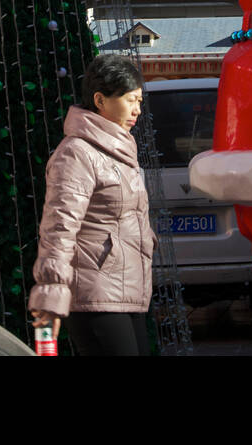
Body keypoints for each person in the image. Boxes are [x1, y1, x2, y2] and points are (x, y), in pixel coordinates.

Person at [29, 54, 155, 355]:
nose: (137, 109)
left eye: (139, 100)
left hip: (126, 290)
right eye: (130, 100)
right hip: (93, 293)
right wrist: (51, 293)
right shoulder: (77, 153)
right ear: (100, 100)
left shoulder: (121, 151)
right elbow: (59, 227)